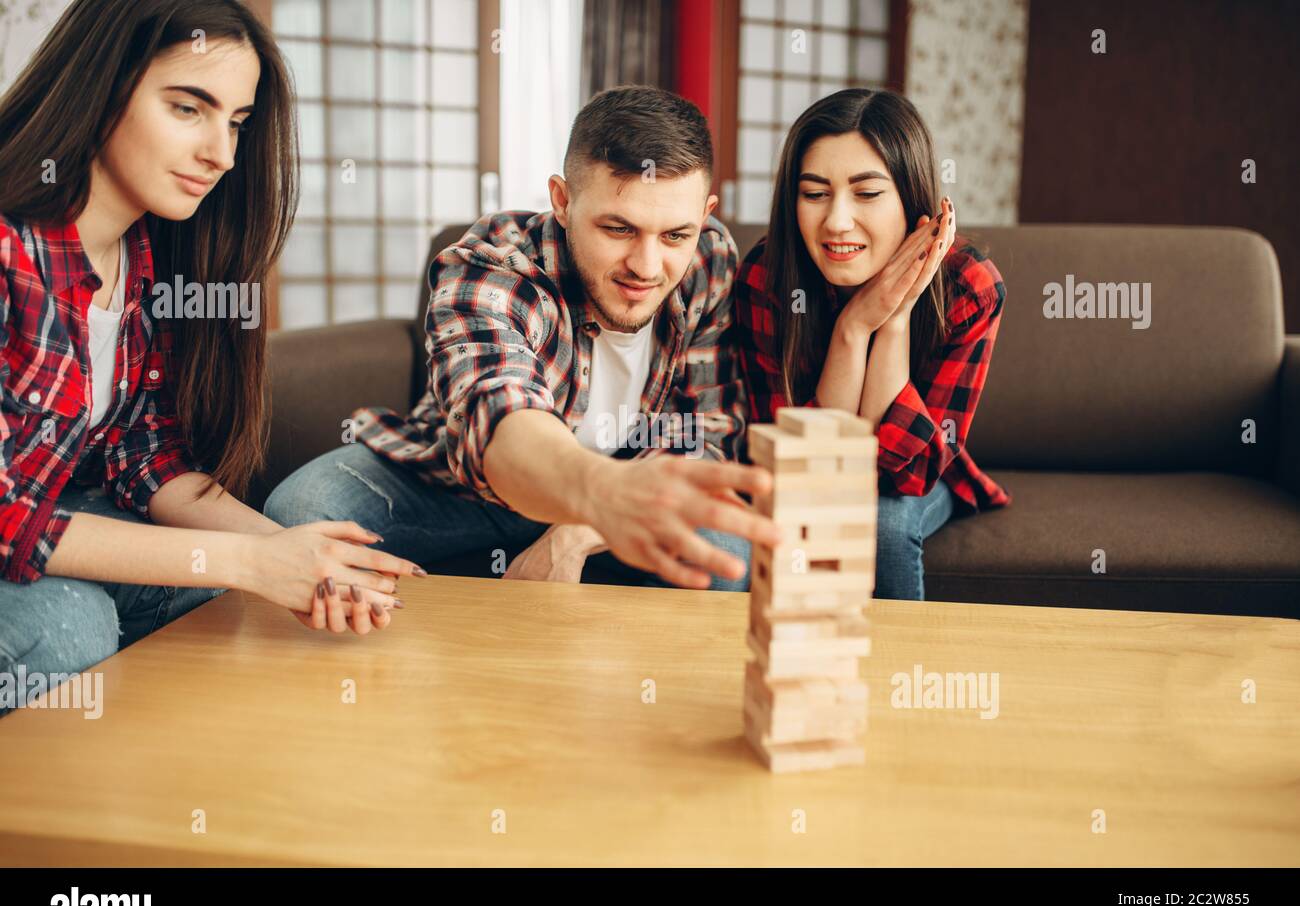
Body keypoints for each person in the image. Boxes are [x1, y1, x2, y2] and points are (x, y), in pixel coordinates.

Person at [1, 0, 419, 714]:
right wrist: (253, 560)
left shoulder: (143, 258)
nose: (222, 155)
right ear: (101, 86)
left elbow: (146, 460)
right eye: (189, 108)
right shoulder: (12, 250)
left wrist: (300, 555)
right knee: (72, 627)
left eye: (236, 122)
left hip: (52, 517)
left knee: (203, 583)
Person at [265, 85, 782, 591]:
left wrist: (578, 531)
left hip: (631, 481)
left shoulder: (710, 256)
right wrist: (598, 494)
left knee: (728, 556)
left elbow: (709, 428)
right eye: (618, 229)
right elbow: (500, 414)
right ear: (562, 200)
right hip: (468, 486)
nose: (647, 268)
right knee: (301, 512)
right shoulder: (494, 263)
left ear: (705, 211)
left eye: (675, 234)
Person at [734, 88, 1010, 601]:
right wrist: (853, 328)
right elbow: (814, 476)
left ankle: (902, 678)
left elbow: (906, 473)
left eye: (866, 193)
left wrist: (896, 317)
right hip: (812, 478)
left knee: (883, 523)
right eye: (815, 194)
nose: (837, 221)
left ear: (912, 199)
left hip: (923, 472)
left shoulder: (970, 287)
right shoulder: (766, 277)